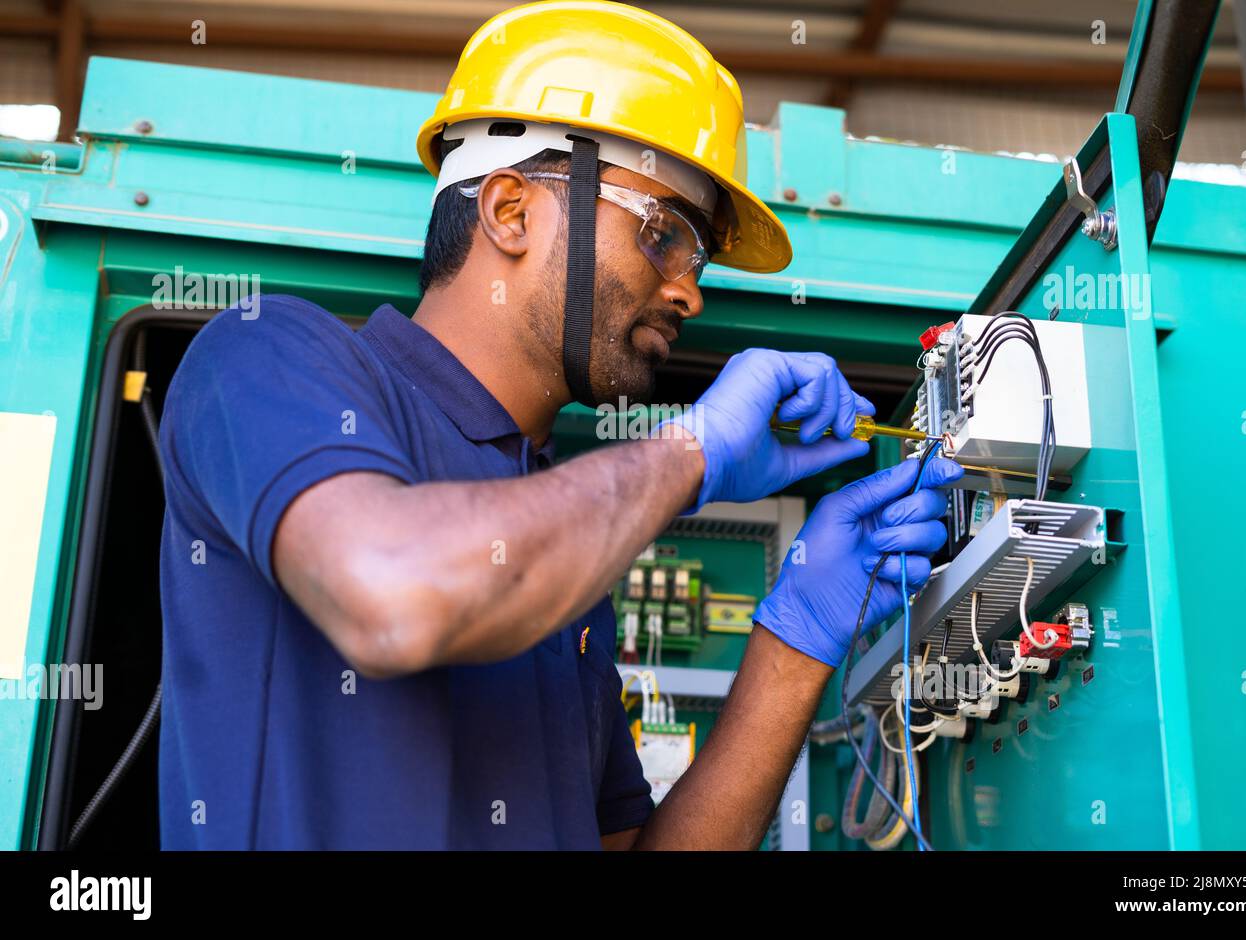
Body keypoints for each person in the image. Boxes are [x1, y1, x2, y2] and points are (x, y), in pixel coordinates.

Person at [156, 0, 961, 849]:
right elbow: (393, 593)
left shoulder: (562, 562)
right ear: (510, 212)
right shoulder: (267, 355)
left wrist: (797, 632)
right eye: (665, 235)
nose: (690, 291)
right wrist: (690, 452)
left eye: (700, 259)